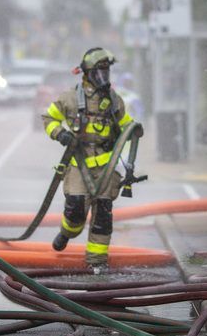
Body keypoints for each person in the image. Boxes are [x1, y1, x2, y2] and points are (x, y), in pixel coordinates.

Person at [42, 47, 139, 271]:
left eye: (106, 71)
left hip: (106, 167)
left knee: (103, 215)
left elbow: (126, 125)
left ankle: (97, 262)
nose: (103, 76)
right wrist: (60, 133)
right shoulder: (70, 98)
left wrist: (133, 130)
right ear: (86, 73)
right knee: (76, 211)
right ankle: (68, 232)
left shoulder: (114, 101)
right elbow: (48, 118)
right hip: (79, 165)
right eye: (99, 71)